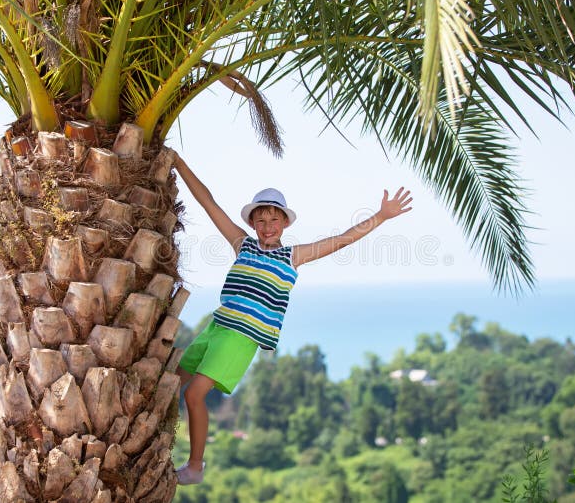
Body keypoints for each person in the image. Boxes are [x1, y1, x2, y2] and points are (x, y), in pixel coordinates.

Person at [170, 150, 413, 485]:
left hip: (241, 338)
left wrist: (381, 216)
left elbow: (341, 240)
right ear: (252, 223)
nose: (267, 227)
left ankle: (195, 467)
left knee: (194, 395)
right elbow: (209, 203)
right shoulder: (243, 245)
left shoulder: (291, 257)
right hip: (216, 327)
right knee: (171, 382)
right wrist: (180, 164)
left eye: (274, 220)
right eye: (261, 220)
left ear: (285, 223)